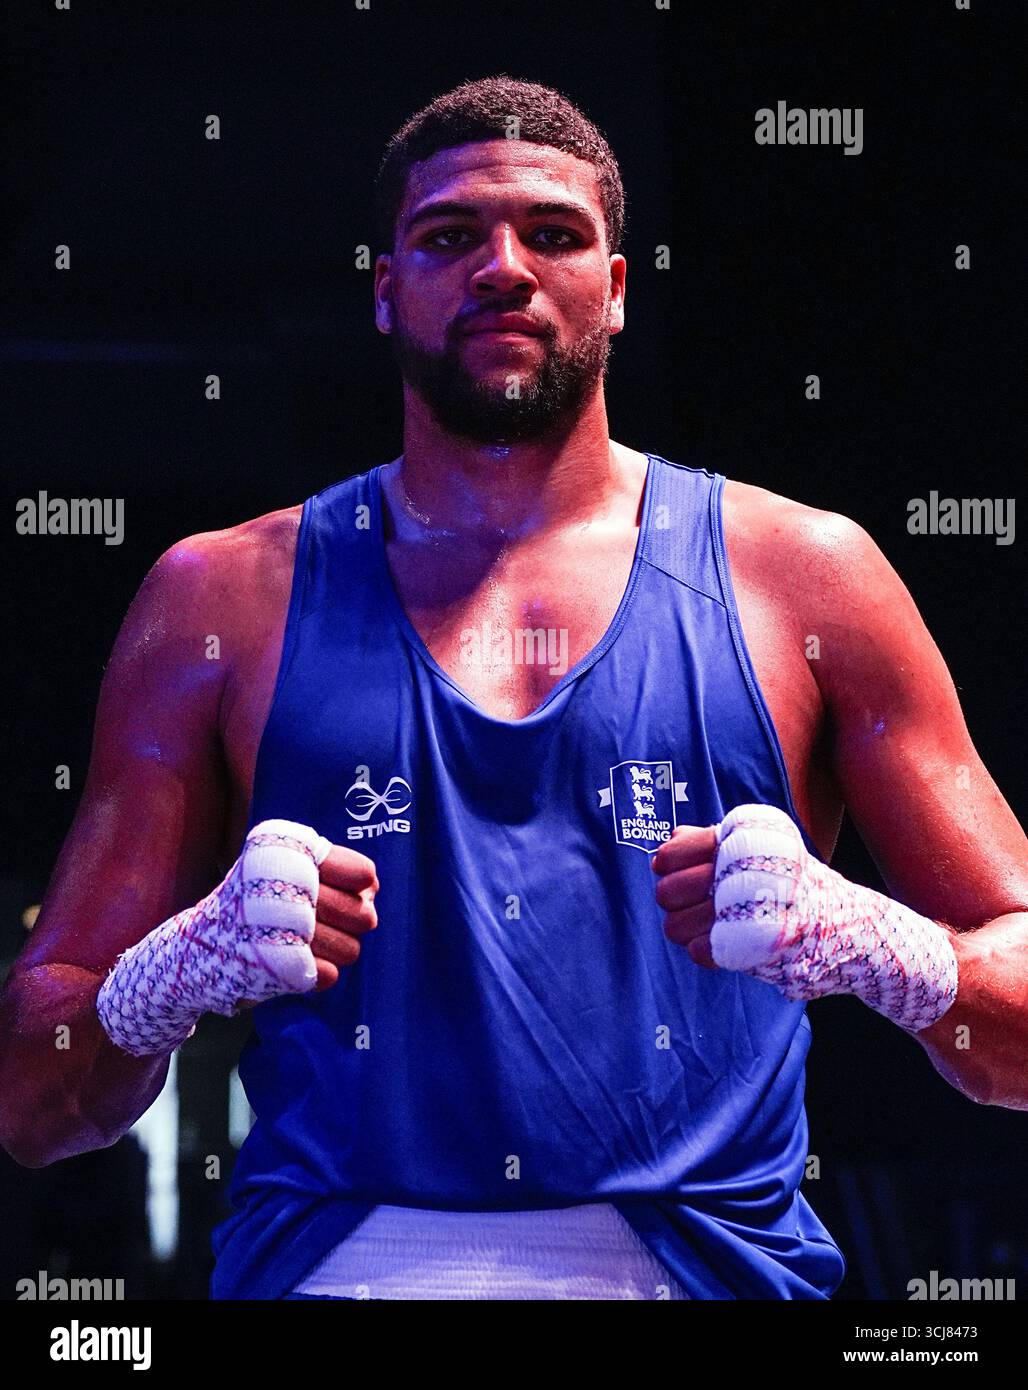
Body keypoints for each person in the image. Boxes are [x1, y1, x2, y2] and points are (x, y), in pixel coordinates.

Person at [1, 77, 1025, 1301]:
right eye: (447, 238)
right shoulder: (216, 600)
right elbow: (32, 1099)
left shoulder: (807, 579)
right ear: (385, 289)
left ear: (617, 287)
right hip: (333, 1273)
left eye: (551, 234)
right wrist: (169, 975)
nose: (501, 267)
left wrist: (886, 949)